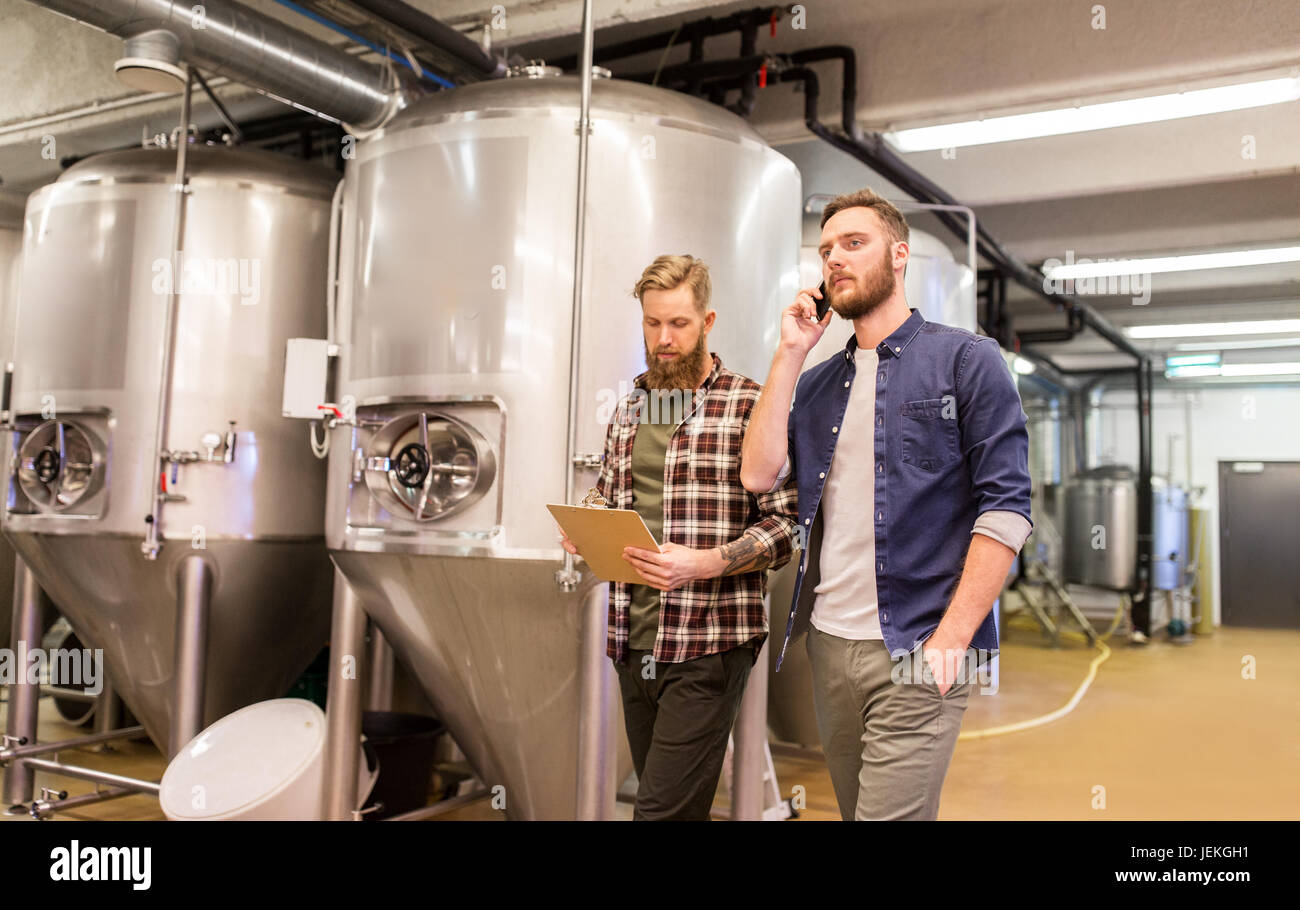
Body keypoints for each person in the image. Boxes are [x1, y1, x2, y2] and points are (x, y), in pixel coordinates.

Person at [740, 189, 1033, 821]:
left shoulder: (966, 360)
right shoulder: (817, 384)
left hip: (921, 643)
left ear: (899, 255)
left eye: (853, 243)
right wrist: (790, 352)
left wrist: (953, 638)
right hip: (829, 643)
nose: (835, 260)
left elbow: (1007, 510)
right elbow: (759, 474)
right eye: (825, 251)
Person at [559, 254, 798, 820]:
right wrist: (586, 524)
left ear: (707, 322)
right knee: (670, 807)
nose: (663, 339)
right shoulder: (629, 410)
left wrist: (709, 562)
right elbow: (609, 493)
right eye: (652, 323)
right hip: (633, 640)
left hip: (708, 643)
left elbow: (789, 524)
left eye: (679, 324)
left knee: (658, 813)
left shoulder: (749, 404)